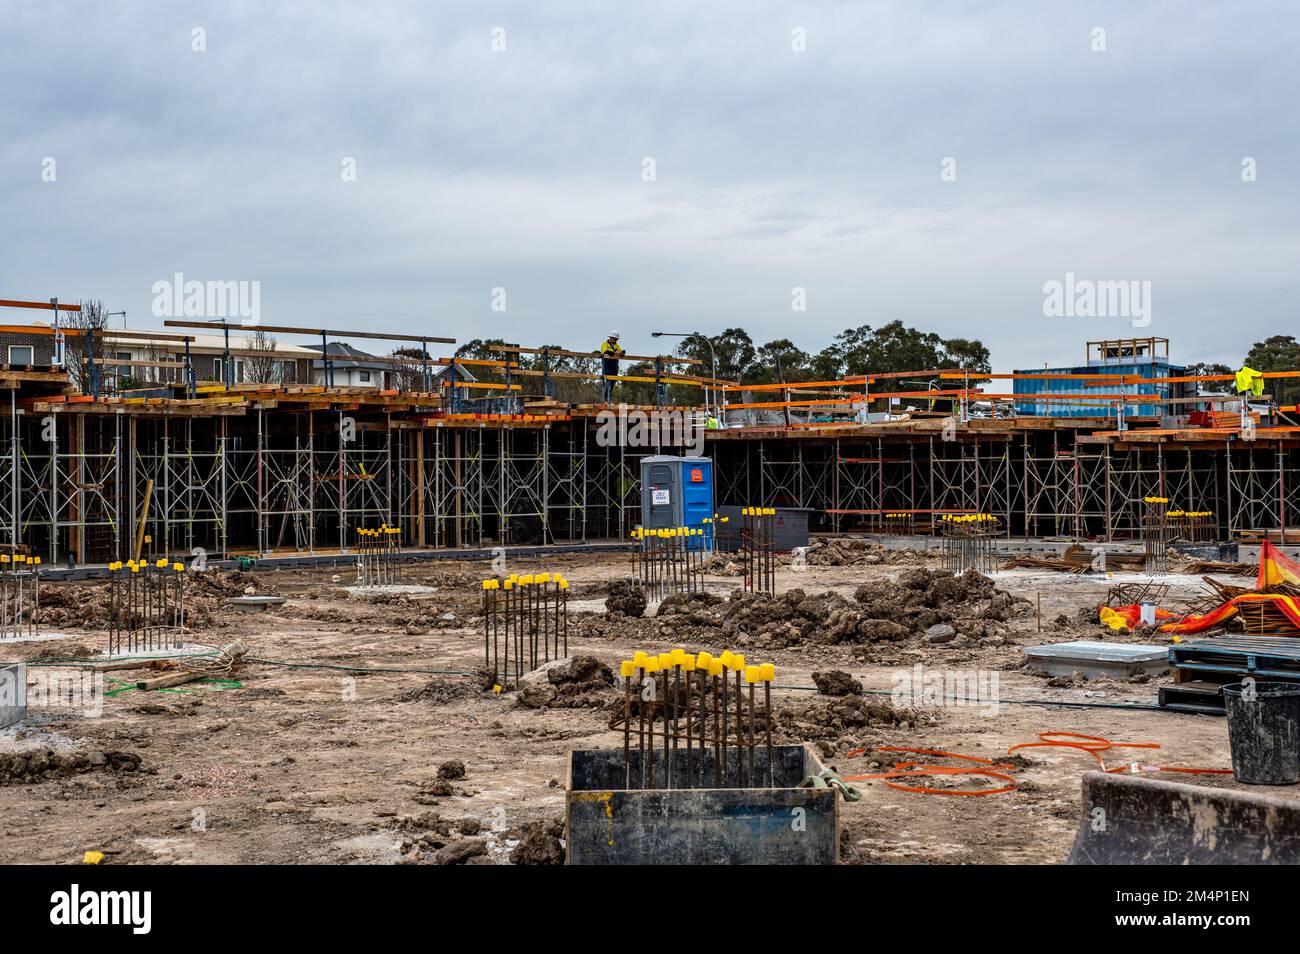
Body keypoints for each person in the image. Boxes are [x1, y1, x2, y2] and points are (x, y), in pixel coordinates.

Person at [599, 331, 624, 403]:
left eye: (617, 339)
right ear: (611, 338)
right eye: (615, 339)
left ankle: (608, 399)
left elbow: (622, 353)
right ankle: (606, 399)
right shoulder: (604, 344)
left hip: (614, 365)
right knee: (608, 382)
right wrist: (615, 353)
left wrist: (620, 353)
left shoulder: (616, 345)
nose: (616, 340)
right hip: (607, 365)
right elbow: (606, 352)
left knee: (613, 382)